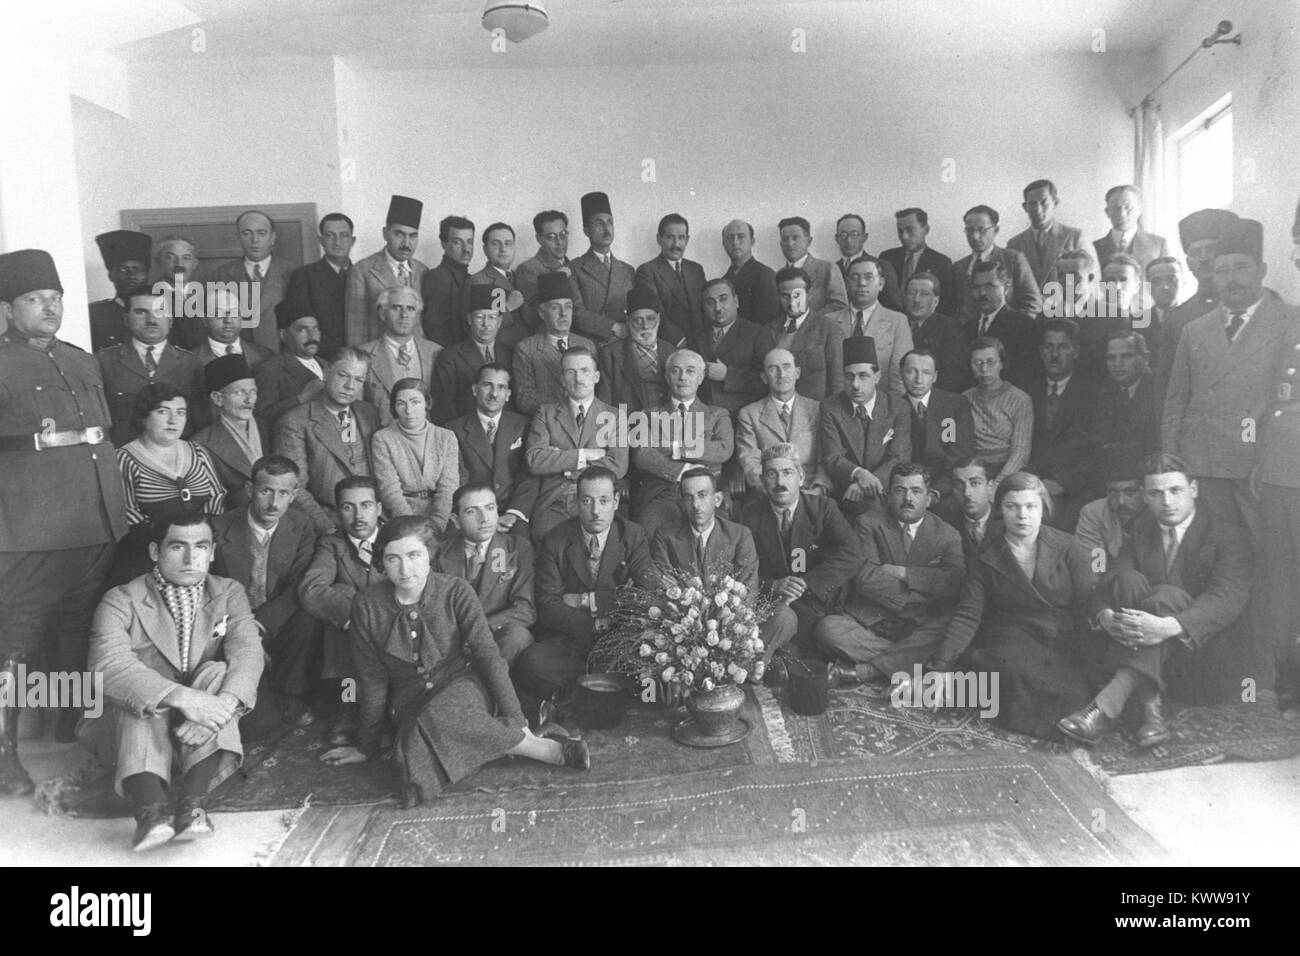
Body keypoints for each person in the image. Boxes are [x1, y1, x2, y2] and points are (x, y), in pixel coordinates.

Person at [319, 515, 589, 807]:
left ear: (430, 555)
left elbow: (489, 657)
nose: (405, 568)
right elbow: (373, 680)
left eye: (414, 555)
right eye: (393, 558)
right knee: (410, 767)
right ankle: (513, 740)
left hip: (462, 685)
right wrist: (366, 745)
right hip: (411, 701)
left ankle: (544, 750)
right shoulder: (366, 605)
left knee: (440, 718)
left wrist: (515, 719)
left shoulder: (456, 590)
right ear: (382, 562)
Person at [0, 249, 128, 790]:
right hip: (32, 528)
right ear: (7, 309)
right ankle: (4, 755)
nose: (48, 308)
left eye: (54, 298)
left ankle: (73, 729)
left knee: (79, 630)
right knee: (14, 641)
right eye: (34, 299)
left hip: (97, 522)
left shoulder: (81, 359)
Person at [80, 513, 263, 851]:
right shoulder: (120, 598)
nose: (192, 559)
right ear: (155, 551)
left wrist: (223, 706)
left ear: (211, 553)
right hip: (134, 722)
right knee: (138, 697)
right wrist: (185, 699)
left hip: (199, 720)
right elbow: (106, 666)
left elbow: (249, 653)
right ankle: (150, 812)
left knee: (219, 674)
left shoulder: (228, 592)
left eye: (201, 547)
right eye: (178, 547)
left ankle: (192, 805)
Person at [1060, 454, 1251, 745]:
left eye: (1176, 490)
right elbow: (1114, 578)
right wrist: (1106, 616)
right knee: (1126, 579)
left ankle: (1105, 707)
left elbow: (1226, 599)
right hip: (1144, 651)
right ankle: (1150, 711)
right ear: (1145, 497)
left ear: (1194, 490)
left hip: (1198, 660)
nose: (1167, 501)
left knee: (1166, 596)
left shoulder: (1227, 534)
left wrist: (1168, 627)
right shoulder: (1141, 529)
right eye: (1156, 493)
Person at [929, 473, 1096, 740]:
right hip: (1012, 639)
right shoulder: (986, 555)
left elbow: (1085, 606)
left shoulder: (1070, 548)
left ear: (1044, 508)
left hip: (1059, 640)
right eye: (1012, 507)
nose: (1022, 515)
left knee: (1076, 692)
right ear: (1000, 510)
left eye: (1031, 506)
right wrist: (941, 666)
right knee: (1010, 667)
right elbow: (968, 614)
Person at [1163, 218, 1289, 553]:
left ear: (1261, 270)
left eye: (1241, 268)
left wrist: (1270, 458)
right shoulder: (1195, 330)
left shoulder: (1289, 322)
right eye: (1221, 271)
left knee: (1267, 551)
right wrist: (1171, 455)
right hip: (1202, 461)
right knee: (1216, 552)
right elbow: (1177, 399)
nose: (1230, 280)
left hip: (1259, 463)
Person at [513, 467, 656, 715]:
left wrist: (585, 600)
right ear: (577, 502)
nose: (596, 511)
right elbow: (548, 605)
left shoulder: (632, 535)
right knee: (530, 663)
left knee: (650, 662)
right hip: (574, 639)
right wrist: (594, 625)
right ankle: (603, 690)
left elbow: (646, 594)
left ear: (616, 501)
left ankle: (574, 697)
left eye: (603, 500)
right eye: (587, 501)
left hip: (619, 637)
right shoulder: (555, 540)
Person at [817, 463, 966, 686]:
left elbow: (953, 583)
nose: (908, 498)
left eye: (916, 491)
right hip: (872, 621)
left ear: (929, 498)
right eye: (900, 490)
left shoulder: (948, 535)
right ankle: (912, 663)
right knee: (827, 630)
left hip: (919, 625)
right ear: (888, 496)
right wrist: (919, 593)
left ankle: (867, 671)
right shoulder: (867, 524)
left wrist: (905, 573)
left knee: (951, 627)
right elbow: (866, 578)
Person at [211, 456, 321, 722]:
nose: (274, 503)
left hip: (276, 619)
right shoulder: (218, 527)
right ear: (250, 490)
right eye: (265, 491)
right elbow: (213, 591)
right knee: (256, 723)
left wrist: (262, 624)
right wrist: (246, 631)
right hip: (231, 622)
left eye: (283, 493)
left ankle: (288, 691)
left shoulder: (302, 525)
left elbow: (299, 584)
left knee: (308, 619)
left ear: (294, 495)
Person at [649, 468, 797, 665]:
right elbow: (665, 589)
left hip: (731, 621)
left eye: (703, 495)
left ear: (717, 499)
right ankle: (737, 667)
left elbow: (746, 590)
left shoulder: (739, 535)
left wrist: (723, 627)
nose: (696, 505)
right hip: (686, 625)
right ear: (681, 502)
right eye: (688, 498)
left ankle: (747, 664)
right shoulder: (665, 535)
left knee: (784, 617)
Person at [740, 444, 860, 654]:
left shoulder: (824, 508)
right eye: (771, 474)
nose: (780, 483)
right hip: (774, 605)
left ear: (801, 477)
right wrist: (774, 585)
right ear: (762, 481)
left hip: (817, 602)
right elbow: (740, 571)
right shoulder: (748, 517)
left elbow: (852, 553)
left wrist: (807, 582)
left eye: (787, 473)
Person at [297, 476, 386, 747]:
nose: (358, 515)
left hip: (398, 626)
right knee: (342, 602)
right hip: (355, 637)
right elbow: (311, 588)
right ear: (336, 511)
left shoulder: (398, 537)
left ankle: (387, 712)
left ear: (379, 509)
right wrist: (358, 617)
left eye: (366, 505)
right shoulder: (332, 545)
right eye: (348, 507)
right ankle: (349, 709)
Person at [114, 384, 226, 585]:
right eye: (163, 412)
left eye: (180, 412)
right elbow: (127, 514)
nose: (173, 420)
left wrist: (200, 541)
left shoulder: (198, 451)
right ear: (143, 416)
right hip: (147, 562)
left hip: (201, 556)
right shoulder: (124, 458)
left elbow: (217, 495)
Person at [524, 347, 628, 541]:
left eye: (584, 371)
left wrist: (564, 465)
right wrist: (584, 455)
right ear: (562, 379)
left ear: (596, 376)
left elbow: (618, 466)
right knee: (548, 542)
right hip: (556, 500)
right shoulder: (545, 413)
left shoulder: (615, 416)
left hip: (599, 501)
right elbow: (535, 460)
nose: (578, 379)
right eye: (570, 372)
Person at [274, 346, 379, 534]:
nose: (350, 386)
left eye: (359, 379)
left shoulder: (367, 413)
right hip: (330, 521)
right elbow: (295, 489)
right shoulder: (294, 422)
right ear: (325, 373)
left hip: (374, 519)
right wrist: (329, 529)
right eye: (343, 375)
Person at [630, 348, 735, 529]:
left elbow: (723, 449)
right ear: (667, 376)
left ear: (701, 377)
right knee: (650, 528)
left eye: (690, 371)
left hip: (706, 492)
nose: (682, 377)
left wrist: (675, 448)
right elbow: (642, 455)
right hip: (663, 492)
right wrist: (683, 469)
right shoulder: (647, 415)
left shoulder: (717, 414)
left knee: (719, 534)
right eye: (676, 371)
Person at [1255, 292, 1300, 714]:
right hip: (1281, 470)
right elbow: (1275, 399)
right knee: (1282, 581)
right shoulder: (1287, 318)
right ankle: (1289, 677)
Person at [433, 483, 536, 666]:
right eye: (472, 511)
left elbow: (525, 609)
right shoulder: (441, 553)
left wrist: (480, 629)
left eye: (490, 508)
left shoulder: (518, 548)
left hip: (497, 635)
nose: (484, 519)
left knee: (518, 636)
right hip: (455, 640)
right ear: (456, 520)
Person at [97, 286, 205, 446]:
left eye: (159, 311)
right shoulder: (104, 361)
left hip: (176, 461)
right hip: (122, 458)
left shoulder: (191, 363)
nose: (151, 320)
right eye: (141, 312)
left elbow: (201, 421)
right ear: (126, 319)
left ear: (170, 320)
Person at [820, 335, 912, 518]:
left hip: (885, 486)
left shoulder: (898, 407)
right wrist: (859, 474)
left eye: (863, 376)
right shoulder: (831, 407)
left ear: (877, 377)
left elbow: (900, 457)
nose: (855, 385)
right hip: (845, 488)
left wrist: (869, 482)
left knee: (874, 508)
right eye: (849, 377)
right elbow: (832, 457)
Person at [447, 363, 537, 539]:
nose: (494, 394)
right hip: (473, 511)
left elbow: (528, 475)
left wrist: (514, 512)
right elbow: (458, 479)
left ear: (508, 394)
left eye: (501, 387)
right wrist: (485, 515)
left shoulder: (524, 425)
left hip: (512, 510)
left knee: (522, 545)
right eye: (487, 385)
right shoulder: (453, 429)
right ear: (475, 389)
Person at [1156, 209, 1240, 393]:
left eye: (1211, 250)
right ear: (1188, 263)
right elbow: (1166, 386)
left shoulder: (1257, 304)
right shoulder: (1178, 319)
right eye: (1195, 252)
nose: (1203, 258)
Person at [1026, 320, 1099, 530]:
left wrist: (1064, 484)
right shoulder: (1027, 394)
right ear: (1041, 352)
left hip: (1076, 489)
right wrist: (1036, 483)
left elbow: (1095, 452)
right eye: (1049, 347)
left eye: (1063, 347)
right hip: (1034, 485)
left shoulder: (1093, 395)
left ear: (1075, 351)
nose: (1055, 355)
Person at [735, 348, 831, 497]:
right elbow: (750, 463)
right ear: (764, 378)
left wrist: (819, 489)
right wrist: (776, 492)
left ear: (797, 373)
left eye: (786, 366)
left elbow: (827, 457)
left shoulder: (818, 410)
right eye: (773, 369)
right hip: (770, 494)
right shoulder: (749, 414)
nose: (782, 374)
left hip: (812, 492)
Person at [371, 377, 459, 532]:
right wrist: (412, 528)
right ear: (394, 408)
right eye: (401, 404)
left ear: (427, 404)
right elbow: (390, 490)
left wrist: (437, 524)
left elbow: (449, 487)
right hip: (399, 518)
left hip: (442, 517)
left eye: (415, 402)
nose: (409, 411)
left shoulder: (446, 437)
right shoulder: (383, 438)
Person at [345, 195, 429, 346]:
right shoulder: (363, 271)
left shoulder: (423, 271)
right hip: (378, 357)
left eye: (413, 236)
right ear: (385, 233)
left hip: (414, 355)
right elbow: (356, 330)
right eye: (399, 234)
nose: (406, 243)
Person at [900, 348, 974, 517]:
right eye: (912, 371)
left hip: (946, 484)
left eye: (926, 373)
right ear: (901, 374)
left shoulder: (954, 405)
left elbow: (959, 454)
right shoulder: (893, 408)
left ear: (935, 377)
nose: (919, 379)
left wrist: (935, 492)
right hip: (908, 485)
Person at [511, 271, 597, 417]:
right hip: (547, 423)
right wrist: (567, 409)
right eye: (555, 307)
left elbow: (596, 389)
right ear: (542, 313)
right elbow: (524, 398)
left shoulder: (587, 345)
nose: (563, 313)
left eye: (568, 306)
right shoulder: (526, 349)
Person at [827, 256, 913, 401]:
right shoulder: (829, 321)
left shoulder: (897, 321)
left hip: (881, 406)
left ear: (881, 284)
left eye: (869, 277)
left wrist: (890, 412)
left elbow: (899, 376)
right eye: (854, 278)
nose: (861, 283)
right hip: (837, 408)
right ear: (847, 284)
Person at [208, 209, 294, 353]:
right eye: (247, 233)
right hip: (238, 357)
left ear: (273, 237)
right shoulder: (220, 275)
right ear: (238, 238)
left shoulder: (293, 273)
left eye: (262, 233)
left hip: (280, 356)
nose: (255, 240)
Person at [191, 354, 268, 512]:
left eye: (253, 392)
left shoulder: (267, 428)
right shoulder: (200, 444)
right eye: (239, 393)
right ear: (218, 398)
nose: (249, 400)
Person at [690, 277, 774, 417]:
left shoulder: (758, 333)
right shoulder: (696, 336)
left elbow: (769, 379)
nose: (717, 308)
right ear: (703, 307)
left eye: (723, 299)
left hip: (742, 418)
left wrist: (728, 376)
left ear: (736, 301)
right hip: (702, 418)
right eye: (710, 302)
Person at [431, 282, 513, 424]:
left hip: (505, 431)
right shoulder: (450, 357)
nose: (486, 324)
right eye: (480, 317)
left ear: (499, 321)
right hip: (465, 433)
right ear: (469, 319)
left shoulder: (510, 353)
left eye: (492, 317)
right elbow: (444, 408)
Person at [361, 285, 441, 427]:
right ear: (382, 313)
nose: (404, 315)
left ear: (417, 315)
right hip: (380, 439)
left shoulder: (436, 352)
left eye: (410, 309)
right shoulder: (363, 355)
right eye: (396, 308)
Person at [963, 337, 1033, 488]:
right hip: (971, 470)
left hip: (1006, 471)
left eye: (991, 362)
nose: (984, 369)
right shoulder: (964, 398)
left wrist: (998, 484)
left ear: (1001, 364)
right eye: (977, 363)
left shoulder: (1020, 400)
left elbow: (1020, 454)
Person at [950, 205, 1042, 320]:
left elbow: (1033, 302)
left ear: (995, 230)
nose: (975, 236)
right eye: (970, 231)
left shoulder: (1013, 259)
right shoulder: (958, 267)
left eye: (981, 230)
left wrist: (1017, 327)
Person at [568, 191, 636, 344]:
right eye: (599, 223)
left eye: (610, 222)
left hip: (625, 342)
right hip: (592, 343)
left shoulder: (628, 270)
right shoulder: (575, 268)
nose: (607, 229)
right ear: (586, 231)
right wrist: (612, 326)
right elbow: (576, 312)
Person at [962, 260, 1039, 390]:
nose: (982, 293)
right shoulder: (966, 328)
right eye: (977, 287)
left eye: (990, 286)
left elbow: (1027, 375)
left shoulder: (1025, 325)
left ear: (1006, 287)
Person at [284, 212, 355, 353]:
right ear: (321, 240)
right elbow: (301, 326)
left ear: (352, 241)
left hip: (358, 355)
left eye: (344, 235)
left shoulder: (362, 274)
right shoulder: (303, 276)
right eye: (330, 235)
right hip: (322, 356)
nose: (337, 242)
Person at [595, 287, 673, 413]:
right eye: (638, 320)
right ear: (628, 321)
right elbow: (605, 405)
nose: (645, 326)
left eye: (650, 318)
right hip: (627, 426)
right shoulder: (610, 354)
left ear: (658, 319)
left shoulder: (672, 352)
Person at [634, 213, 706, 345]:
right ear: (659, 239)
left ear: (687, 240)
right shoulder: (647, 271)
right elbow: (654, 312)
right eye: (670, 237)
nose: (676, 244)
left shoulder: (696, 269)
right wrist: (680, 341)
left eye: (681, 237)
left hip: (702, 342)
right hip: (670, 344)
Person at [774, 266, 845, 401]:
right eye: (785, 296)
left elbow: (838, 385)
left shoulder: (829, 329)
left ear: (810, 294)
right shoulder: (770, 330)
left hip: (816, 414)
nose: (792, 302)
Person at [254, 297, 325, 428]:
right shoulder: (270, 369)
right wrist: (301, 398)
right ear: (283, 335)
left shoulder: (329, 366)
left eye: (315, 329)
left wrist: (348, 440)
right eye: (302, 330)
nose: (312, 336)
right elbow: (262, 416)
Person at [1092, 329, 1161, 461]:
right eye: (1111, 357)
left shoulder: (1161, 389)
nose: (1117, 364)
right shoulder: (1102, 394)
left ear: (1146, 358)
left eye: (1126, 356)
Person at [1074, 448, 1147, 568]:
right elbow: (1094, 566)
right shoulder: (1094, 513)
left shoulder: (1156, 511)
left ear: (1144, 491)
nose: (1121, 501)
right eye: (1114, 493)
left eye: (1130, 492)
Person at [1005, 179, 1083, 290]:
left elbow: (1089, 281)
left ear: (1055, 203)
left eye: (1043, 203)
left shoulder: (1075, 237)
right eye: (1032, 204)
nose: (1037, 209)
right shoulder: (1014, 244)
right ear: (1025, 207)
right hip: (1029, 307)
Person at [901, 271, 971, 393]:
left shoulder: (951, 328)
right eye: (912, 293)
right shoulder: (895, 323)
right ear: (905, 298)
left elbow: (952, 377)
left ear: (935, 301)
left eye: (924, 294)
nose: (917, 300)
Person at [879, 208, 955, 316]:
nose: (904, 236)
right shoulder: (887, 258)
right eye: (900, 231)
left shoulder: (941, 263)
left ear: (926, 229)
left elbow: (945, 305)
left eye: (910, 230)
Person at [469, 221, 529, 348]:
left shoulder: (520, 275)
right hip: (501, 351)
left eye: (508, 243)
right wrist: (507, 307)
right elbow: (474, 326)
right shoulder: (478, 280)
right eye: (495, 244)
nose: (503, 249)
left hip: (527, 349)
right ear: (485, 249)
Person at [89, 230, 151, 352]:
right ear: (110, 275)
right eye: (123, 269)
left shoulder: (164, 310)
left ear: (147, 274)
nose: (131, 275)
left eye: (137, 269)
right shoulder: (95, 314)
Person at [421, 215, 475, 347]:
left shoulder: (470, 278)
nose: (466, 249)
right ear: (444, 244)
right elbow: (435, 331)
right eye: (457, 242)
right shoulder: (437, 278)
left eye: (469, 242)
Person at [777, 216, 848, 316]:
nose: (790, 243)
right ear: (781, 244)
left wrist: (807, 323)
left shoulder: (827, 269)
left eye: (795, 238)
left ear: (809, 241)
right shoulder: (778, 275)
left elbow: (839, 306)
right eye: (785, 239)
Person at [515, 209, 572, 333]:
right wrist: (557, 279)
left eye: (563, 235)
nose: (559, 242)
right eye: (551, 237)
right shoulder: (528, 269)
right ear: (539, 238)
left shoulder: (575, 265)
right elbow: (530, 317)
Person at [833, 213, 903, 311]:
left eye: (854, 234)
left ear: (864, 237)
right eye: (844, 235)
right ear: (837, 238)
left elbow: (894, 306)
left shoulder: (882, 266)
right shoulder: (831, 269)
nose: (849, 240)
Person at [192, 285, 272, 369]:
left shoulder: (265, 356)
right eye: (219, 313)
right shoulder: (190, 362)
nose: (228, 320)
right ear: (205, 320)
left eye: (234, 312)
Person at [1093, 185, 1169, 272]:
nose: (1122, 214)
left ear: (1140, 210)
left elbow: (1165, 281)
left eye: (1128, 207)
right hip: (1108, 286)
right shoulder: (1094, 248)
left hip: (1146, 286)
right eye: (1115, 208)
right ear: (1107, 212)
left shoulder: (1158, 245)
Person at [722, 219, 780, 326]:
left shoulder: (765, 275)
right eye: (730, 237)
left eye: (741, 236)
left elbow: (771, 322)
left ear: (752, 241)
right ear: (724, 244)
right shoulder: (723, 281)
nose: (735, 242)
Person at [151, 236, 203, 350]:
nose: (179, 264)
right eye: (170, 257)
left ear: (195, 263)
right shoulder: (148, 298)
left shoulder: (207, 298)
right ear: (158, 261)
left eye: (186, 258)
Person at [949, 458, 1003, 563]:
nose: (967, 493)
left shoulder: (1006, 521)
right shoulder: (947, 524)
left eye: (975, 483)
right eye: (959, 485)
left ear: (990, 487)